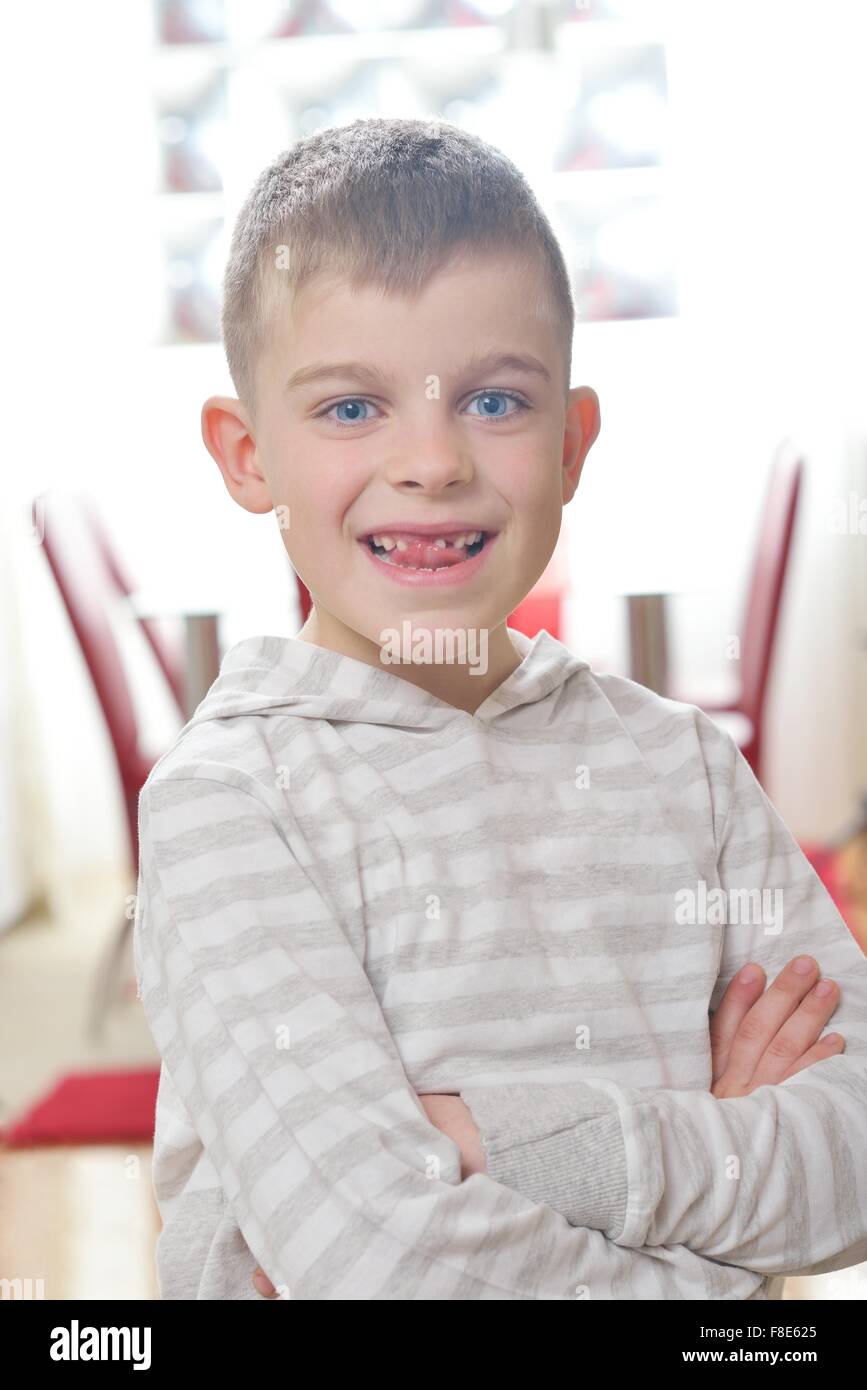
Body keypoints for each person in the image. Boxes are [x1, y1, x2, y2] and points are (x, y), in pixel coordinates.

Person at [133, 116, 867, 1300]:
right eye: (351, 408)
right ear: (245, 453)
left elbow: (859, 1159)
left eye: (493, 402)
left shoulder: (685, 767)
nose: (431, 461)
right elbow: (376, 1253)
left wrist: (485, 1141)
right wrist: (719, 1225)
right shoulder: (228, 805)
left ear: (572, 443)